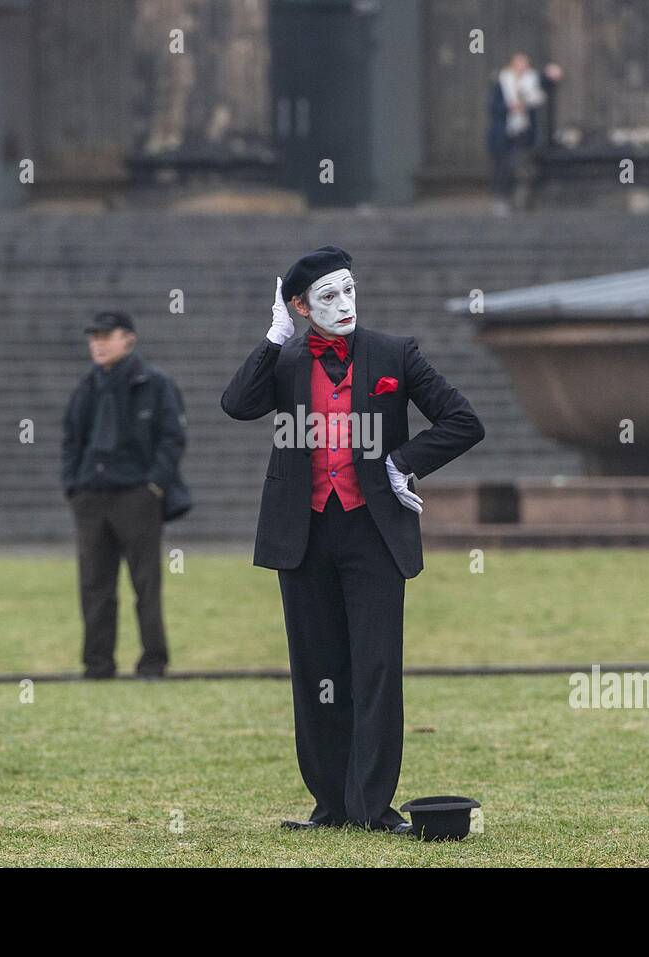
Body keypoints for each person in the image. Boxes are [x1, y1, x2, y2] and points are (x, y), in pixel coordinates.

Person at [221, 246, 484, 833]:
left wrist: (403, 461)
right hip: (304, 535)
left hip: (372, 534)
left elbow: (464, 420)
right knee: (317, 670)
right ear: (300, 306)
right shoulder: (285, 360)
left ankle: (372, 808)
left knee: (375, 669)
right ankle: (331, 807)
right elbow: (236, 404)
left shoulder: (394, 353)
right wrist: (272, 337)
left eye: (349, 290)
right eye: (328, 296)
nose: (344, 304)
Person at [62, 312, 189, 680]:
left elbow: (172, 438)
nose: (97, 344)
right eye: (93, 337)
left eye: (105, 336)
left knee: (145, 584)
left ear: (129, 339)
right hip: (91, 498)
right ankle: (97, 664)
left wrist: (153, 487)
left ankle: (153, 662)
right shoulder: (85, 388)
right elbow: (71, 441)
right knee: (94, 586)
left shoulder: (156, 383)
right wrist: (74, 485)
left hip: (137, 497)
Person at [487, 54, 562, 215]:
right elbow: (493, 107)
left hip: (523, 132)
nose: (523, 68)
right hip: (504, 132)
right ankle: (502, 200)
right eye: (520, 65)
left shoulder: (531, 80)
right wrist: (510, 107)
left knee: (522, 166)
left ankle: (521, 200)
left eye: (525, 65)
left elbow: (544, 83)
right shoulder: (502, 82)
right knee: (503, 168)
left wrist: (551, 75)